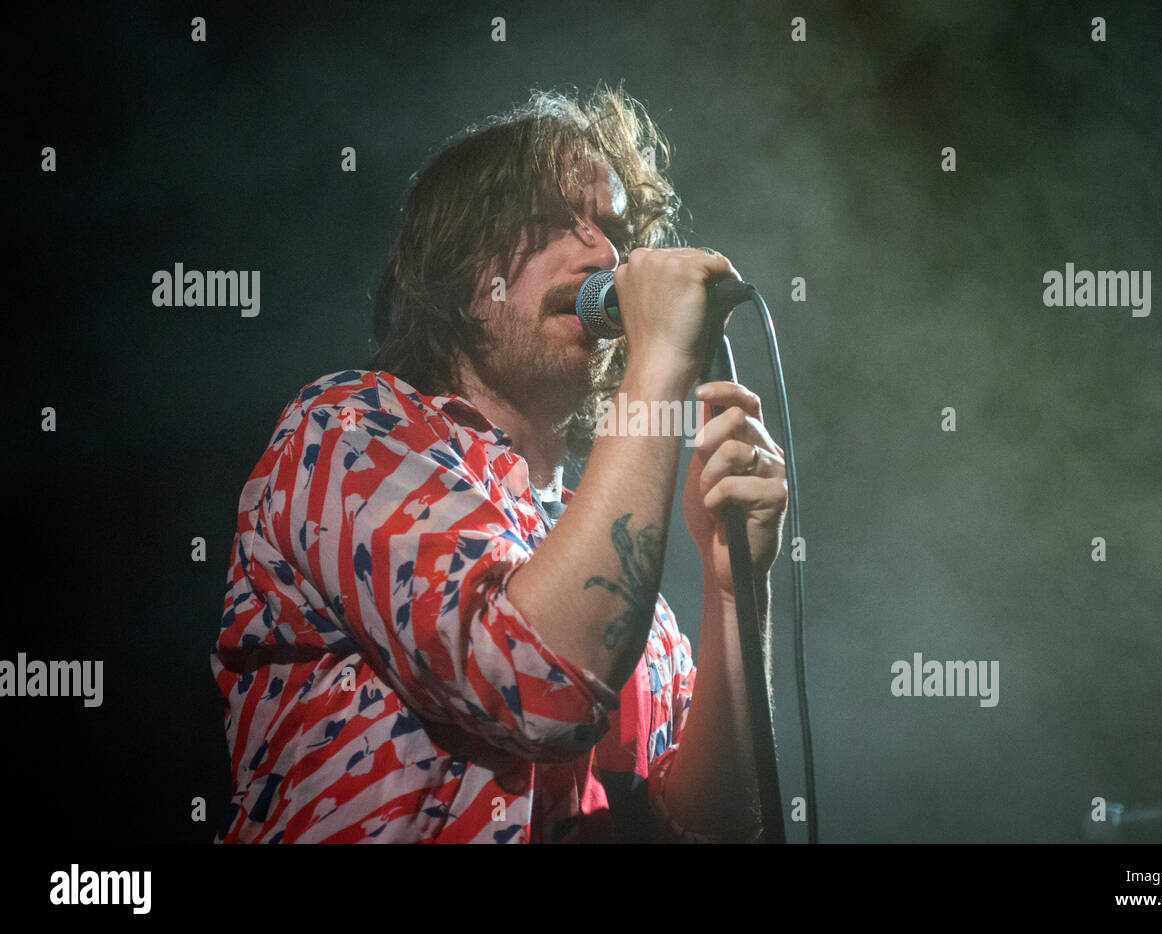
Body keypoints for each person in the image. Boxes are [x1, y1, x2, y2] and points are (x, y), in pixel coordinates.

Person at [212, 83, 787, 843]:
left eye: (614, 229)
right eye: (552, 222)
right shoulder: (349, 430)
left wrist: (732, 587)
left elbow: (717, 827)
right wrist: (657, 369)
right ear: (459, 272)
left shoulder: (623, 587)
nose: (606, 254)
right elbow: (539, 684)